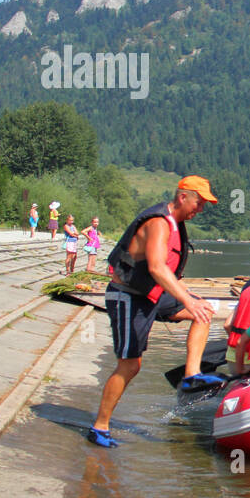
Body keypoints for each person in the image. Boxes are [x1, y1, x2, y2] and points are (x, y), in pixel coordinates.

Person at [90, 176, 219, 447]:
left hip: (153, 295)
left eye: (204, 204)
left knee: (203, 313)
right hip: (128, 297)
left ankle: (191, 376)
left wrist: (194, 300)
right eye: (199, 202)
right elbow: (157, 268)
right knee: (131, 365)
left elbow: (170, 274)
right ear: (183, 197)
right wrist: (188, 299)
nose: (201, 209)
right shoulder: (159, 222)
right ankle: (100, 427)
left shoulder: (177, 224)